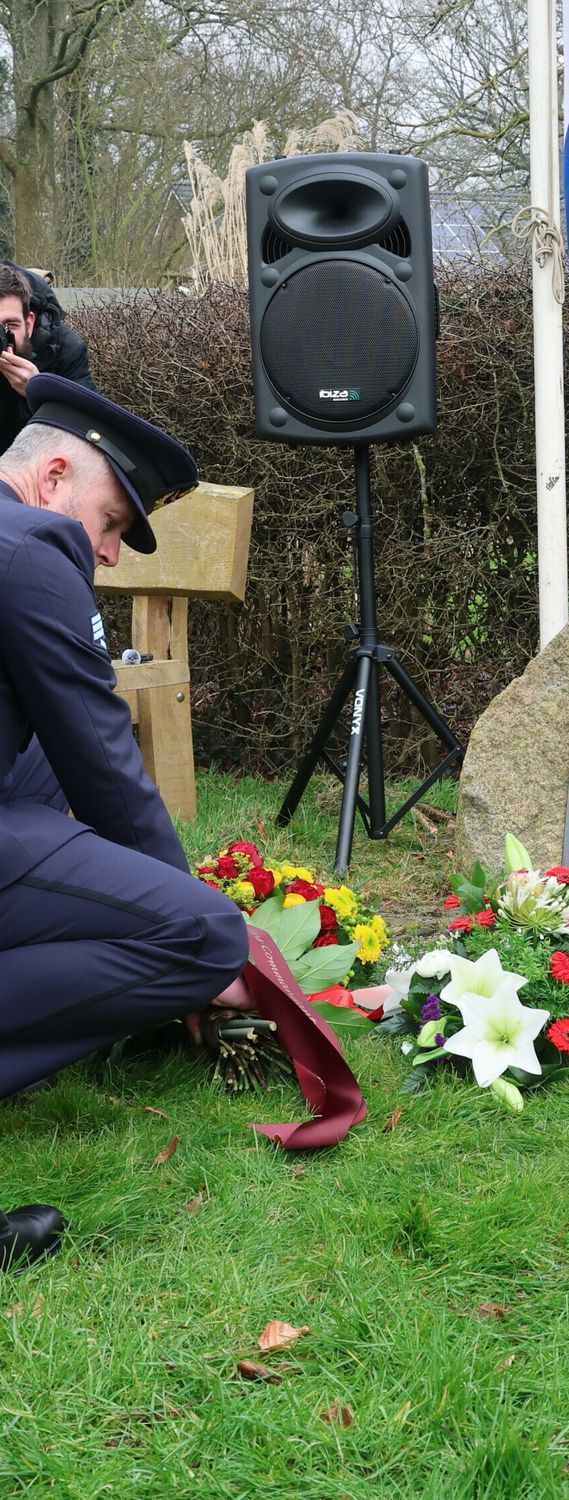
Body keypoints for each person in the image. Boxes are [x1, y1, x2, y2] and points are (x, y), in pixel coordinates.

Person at [0, 374, 252, 1270]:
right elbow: (102, 756)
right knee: (204, 939)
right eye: (110, 523)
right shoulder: (29, 547)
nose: (109, 555)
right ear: (56, 473)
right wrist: (197, 920)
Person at [0, 264, 97, 454]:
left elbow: (94, 432)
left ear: (29, 323)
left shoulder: (64, 349)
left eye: (9, 325)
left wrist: (40, 393)